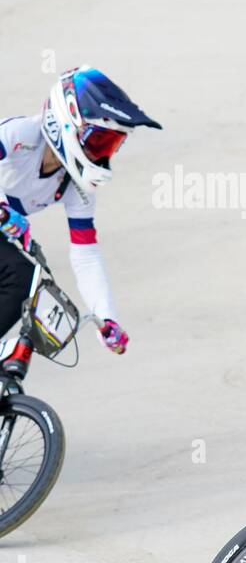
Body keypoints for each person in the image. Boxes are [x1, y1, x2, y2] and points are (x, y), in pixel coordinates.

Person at [0, 67, 162, 363]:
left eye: (111, 146)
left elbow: (85, 255)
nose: (102, 155)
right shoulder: (20, 134)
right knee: (20, 275)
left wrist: (107, 318)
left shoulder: (75, 186)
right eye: (99, 141)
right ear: (64, 121)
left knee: (28, 285)